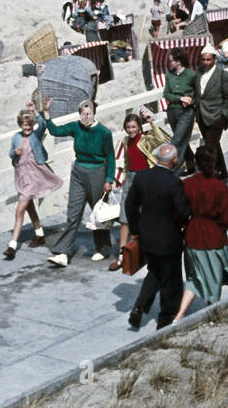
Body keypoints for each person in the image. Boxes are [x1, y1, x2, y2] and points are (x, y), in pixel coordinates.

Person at [125, 144, 191, 331]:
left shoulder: (142, 177)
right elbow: (184, 212)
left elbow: (130, 205)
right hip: (169, 240)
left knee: (154, 272)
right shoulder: (174, 182)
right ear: (175, 161)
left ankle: (139, 306)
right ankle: (166, 319)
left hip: (147, 237)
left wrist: (136, 229)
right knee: (171, 279)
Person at [173, 146, 228, 322]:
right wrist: (222, 228)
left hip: (193, 236)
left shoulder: (186, 184)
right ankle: (212, 316)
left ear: (195, 161)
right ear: (213, 163)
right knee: (214, 280)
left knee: (194, 278)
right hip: (214, 238)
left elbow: (179, 212)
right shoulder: (219, 186)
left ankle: (180, 315)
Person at [45, 100, 116, 267]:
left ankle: (103, 249)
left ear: (93, 113)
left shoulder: (104, 132)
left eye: (88, 113)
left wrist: (109, 179)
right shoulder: (76, 127)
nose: (86, 116)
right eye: (82, 113)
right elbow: (55, 130)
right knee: (73, 212)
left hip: (97, 173)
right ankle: (63, 252)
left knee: (98, 213)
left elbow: (111, 157)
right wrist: (47, 114)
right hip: (78, 172)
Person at [110, 106, 171, 271]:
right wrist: (123, 180)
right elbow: (127, 161)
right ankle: (122, 255)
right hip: (130, 178)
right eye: (128, 127)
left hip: (145, 179)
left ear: (139, 127)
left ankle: (153, 252)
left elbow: (164, 142)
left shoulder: (145, 138)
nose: (131, 130)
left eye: (134, 127)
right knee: (124, 218)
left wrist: (152, 123)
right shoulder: (125, 140)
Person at [4, 99, 61, 259]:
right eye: (25, 126)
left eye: (29, 126)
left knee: (19, 209)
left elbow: (42, 123)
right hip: (21, 174)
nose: (27, 128)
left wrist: (36, 110)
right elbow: (10, 153)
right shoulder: (16, 137)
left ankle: (12, 245)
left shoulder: (35, 135)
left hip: (34, 175)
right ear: (20, 125)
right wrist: (14, 153)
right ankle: (39, 233)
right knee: (29, 206)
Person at [194, 45, 228, 180]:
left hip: (217, 116)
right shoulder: (198, 72)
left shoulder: (223, 75)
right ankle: (222, 171)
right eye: (203, 60)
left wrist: (224, 114)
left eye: (208, 60)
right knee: (214, 145)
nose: (205, 62)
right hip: (202, 115)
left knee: (209, 147)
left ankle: (210, 175)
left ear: (214, 59)